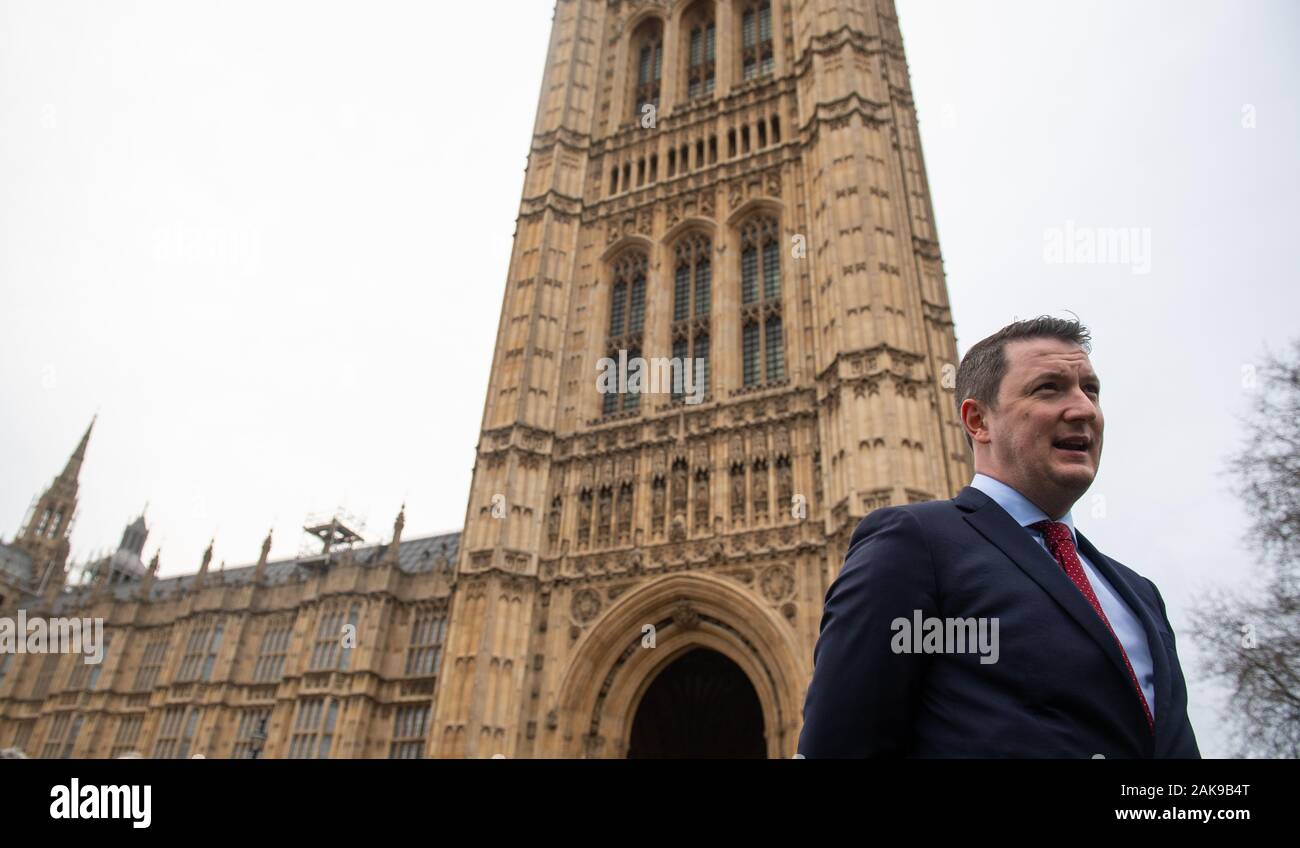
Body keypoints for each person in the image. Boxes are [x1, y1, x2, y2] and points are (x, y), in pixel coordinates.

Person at [797, 316, 1200, 757]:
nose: (1084, 408)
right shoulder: (914, 543)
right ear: (978, 420)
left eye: (1091, 390)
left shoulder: (1140, 594)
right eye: (1049, 387)